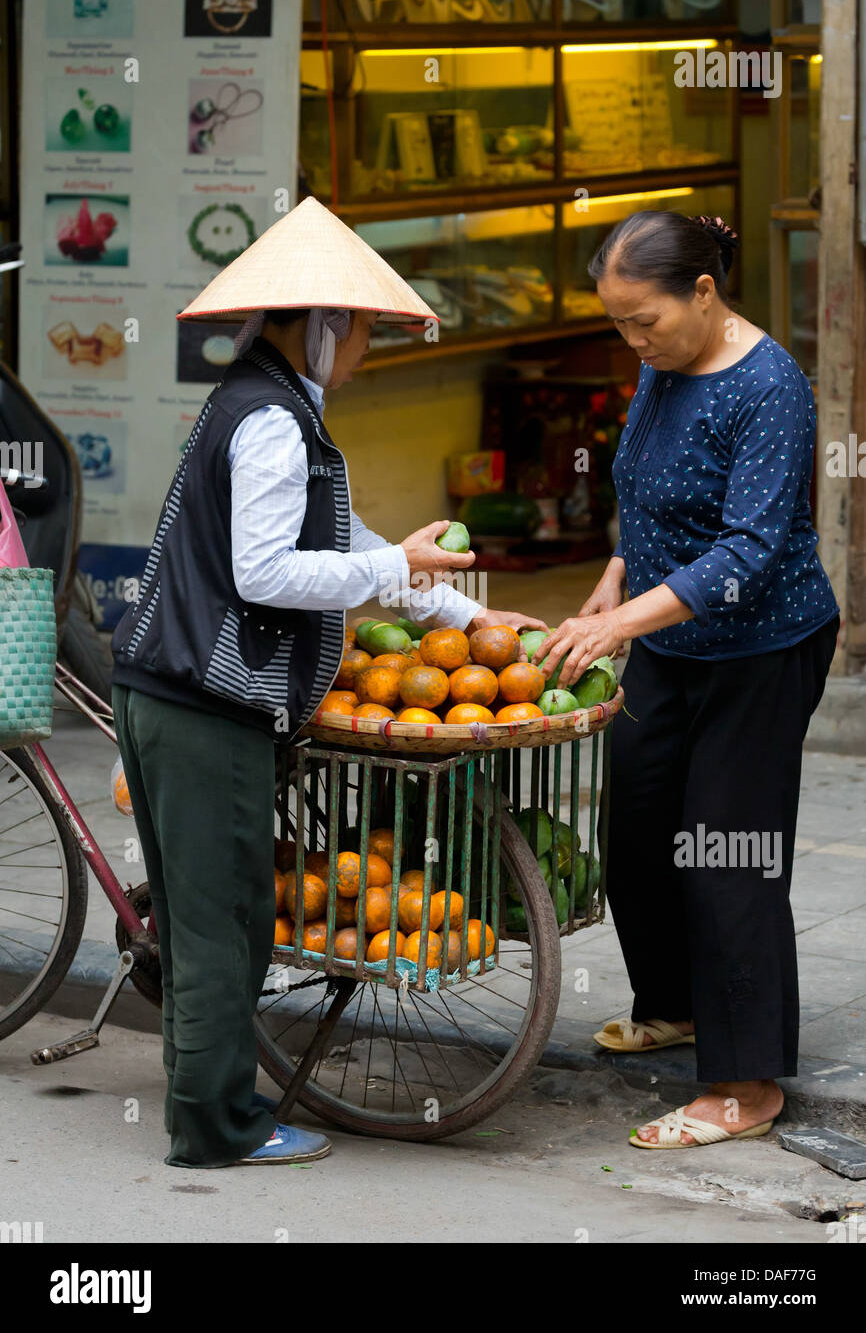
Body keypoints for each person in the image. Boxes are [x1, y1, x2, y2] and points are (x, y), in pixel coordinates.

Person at [110, 197, 543, 1168]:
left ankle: (209, 1101)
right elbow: (267, 573)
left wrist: (469, 617)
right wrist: (398, 573)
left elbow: (347, 545)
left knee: (210, 915)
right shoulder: (267, 420)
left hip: (180, 693)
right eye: (360, 337)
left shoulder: (270, 409)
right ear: (320, 325)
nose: (363, 358)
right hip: (201, 702)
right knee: (224, 920)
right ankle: (215, 1126)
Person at [534, 211, 839, 1150]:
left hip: (760, 651)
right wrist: (616, 578)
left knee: (726, 856)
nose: (633, 342)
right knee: (636, 823)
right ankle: (675, 1004)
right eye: (620, 324)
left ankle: (747, 1084)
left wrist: (620, 623)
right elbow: (651, 489)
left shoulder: (769, 387)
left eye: (644, 322)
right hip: (671, 638)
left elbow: (748, 549)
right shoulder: (663, 361)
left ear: (703, 294)